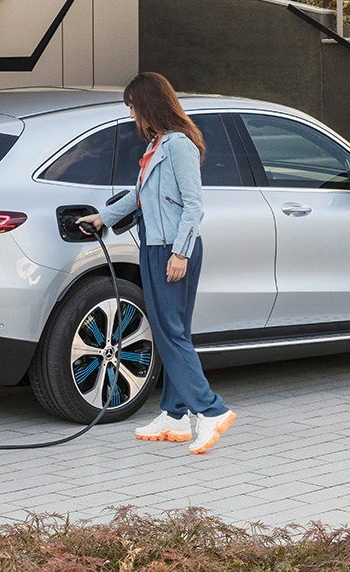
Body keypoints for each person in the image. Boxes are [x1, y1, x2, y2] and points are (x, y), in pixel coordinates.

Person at [76, 72, 236, 455]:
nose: (132, 114)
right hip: (156, 246)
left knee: (171, 333)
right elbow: (141, 195)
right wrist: (105, 218)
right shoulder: (159, 145)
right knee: (170, 331)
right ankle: (175, 415)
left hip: (171, 251)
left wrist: (179, 253)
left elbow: (193, 204)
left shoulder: (178, 144)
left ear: (150, 105)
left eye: (133, 105)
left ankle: (211, 410)